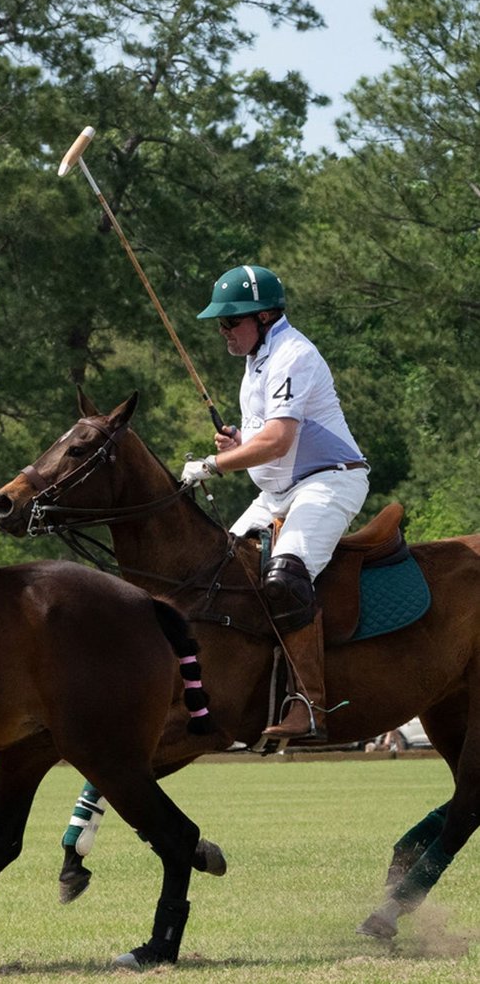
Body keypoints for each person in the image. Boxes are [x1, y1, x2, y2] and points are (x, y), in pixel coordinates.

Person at [180, 265, 369, 742]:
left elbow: (280, 441)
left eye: (230, 322)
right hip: (279, 491)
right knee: (218, 573)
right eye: (221, 324)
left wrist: (213, 465)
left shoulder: (293, 355)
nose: (223, 332)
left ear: (264, 317)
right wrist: (241, 443)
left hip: (328, 482)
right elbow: (268, 437)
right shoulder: (257, 362)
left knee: (286, 576)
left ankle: (310, 706)